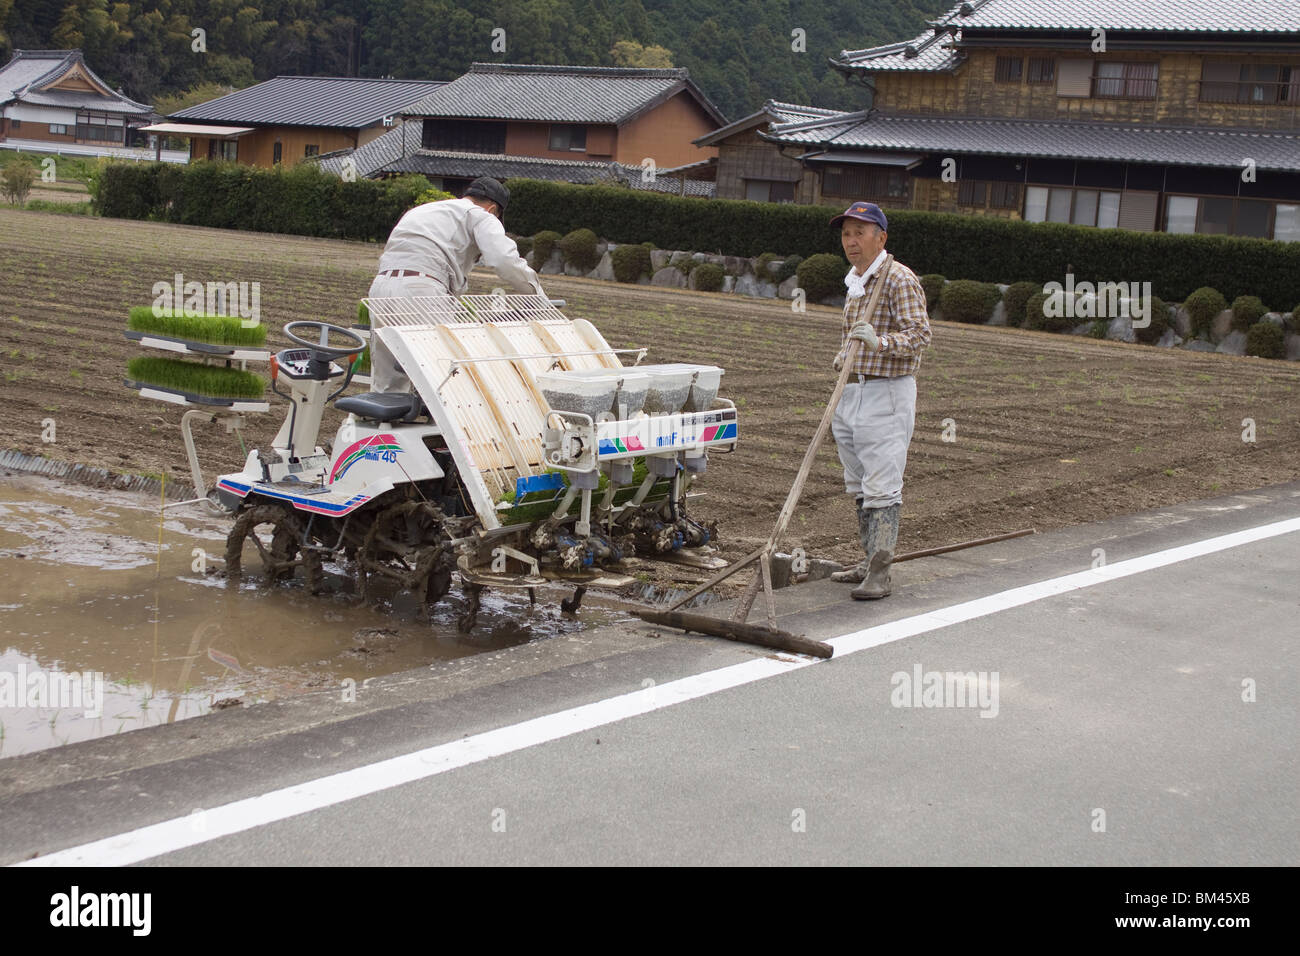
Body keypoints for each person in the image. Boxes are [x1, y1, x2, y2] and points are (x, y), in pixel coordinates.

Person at [826, 201, 932, 600]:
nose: (851, 241)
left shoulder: (897, 278)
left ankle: (881, 574)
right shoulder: (856, 281)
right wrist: (845, 354)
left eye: (859, 233)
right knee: (858, 482)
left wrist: (882, 342)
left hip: (886, 392)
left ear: (880, 238)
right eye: (846, 234)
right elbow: (854, 335)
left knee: (882, 483)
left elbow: (921, 334)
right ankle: (868, 558)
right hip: (852, 390)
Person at [366, 177, 546, 390]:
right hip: (422, 291)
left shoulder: (425, 210)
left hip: (380, 289)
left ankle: (386, 422)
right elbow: (504, 260)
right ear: (493, 209)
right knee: (443, 377)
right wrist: (536, 294)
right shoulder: (481, 216)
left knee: (388, 383)